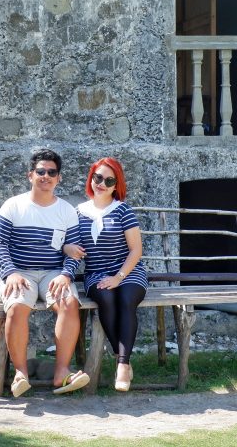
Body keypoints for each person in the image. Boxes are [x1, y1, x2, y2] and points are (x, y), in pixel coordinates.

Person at [0, 148, 91, 397]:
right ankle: (21, 373)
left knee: (68, 303)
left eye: (51, 172)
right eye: (41, 171)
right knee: (17, 307)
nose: (46, 176)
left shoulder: (67, 210)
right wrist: (10, 272)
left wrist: (66, 275)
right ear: (30, 175)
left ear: (59, 178)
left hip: (53, 273)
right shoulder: (13, 205)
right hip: (19, 272)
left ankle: (61, 372)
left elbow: (74, 250)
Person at [72, 156, 147, 391]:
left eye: (109, 180)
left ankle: (122, 365)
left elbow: (136, 250)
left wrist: (118, 277)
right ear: (91, 178)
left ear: (117, 184)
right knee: (105, 297)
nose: (102, 183)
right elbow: (71, 244)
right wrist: (68, 248)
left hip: (128, 271)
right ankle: (120, 354)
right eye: (98, 177)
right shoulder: (79, 212)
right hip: (96, 272)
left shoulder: (123, 210)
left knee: (125, 299)